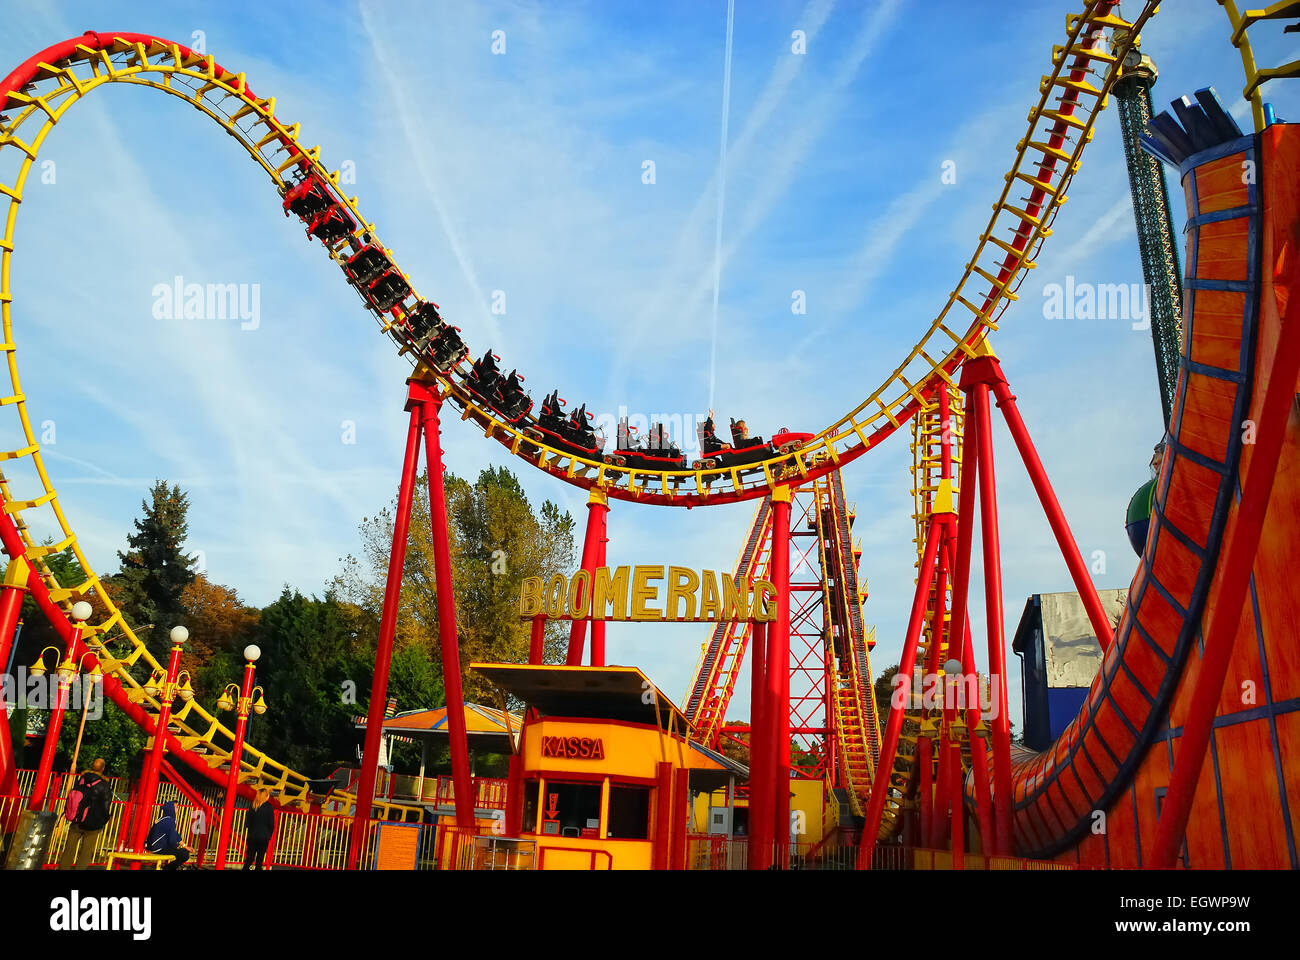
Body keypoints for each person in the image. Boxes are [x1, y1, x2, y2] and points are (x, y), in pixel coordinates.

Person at [58, 757, 113, 870]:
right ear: (103, 769)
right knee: (86, 853)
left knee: (69, 850)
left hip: (77, 820)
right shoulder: (104, 785)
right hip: (93, 823)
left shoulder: (82, 779)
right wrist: (104, 820)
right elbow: (106, 805)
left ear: (92, 766)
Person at [145, 800, 194, 869]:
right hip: (157, 848)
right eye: (176, 807)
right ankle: (167, 868)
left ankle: (167, 868)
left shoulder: (164, 818)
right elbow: (172, 840)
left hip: (152, 846)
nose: (178, 809)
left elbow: (176, 835)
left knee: (183, 851)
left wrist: (185, 846)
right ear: (171, 809)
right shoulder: (169, 820)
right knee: (184, 854)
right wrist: (178, 847)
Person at [243, 788, 275, 871]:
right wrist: (269, 834)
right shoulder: (269, 807)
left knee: (249, 857)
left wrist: (251, 831)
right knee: (259, 860)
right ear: (266, 796)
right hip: (264, 836)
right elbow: (271, 823)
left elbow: (247, 823)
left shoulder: (252, 806)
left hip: (252, 836)